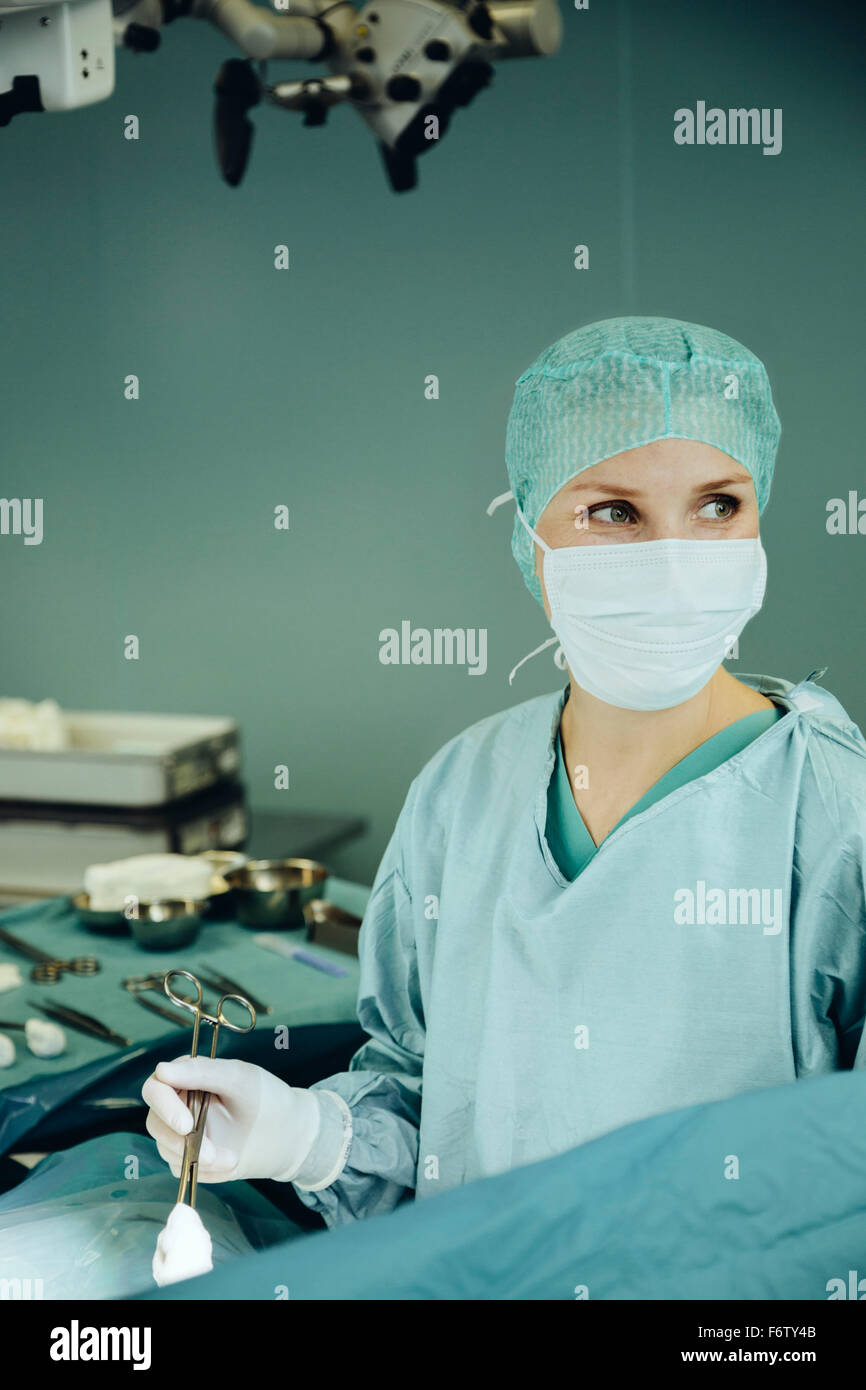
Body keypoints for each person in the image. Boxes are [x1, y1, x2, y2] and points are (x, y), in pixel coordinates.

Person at [143, 316, 866, 1226]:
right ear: (531, 536)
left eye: (719, 504)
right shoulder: (462, 790)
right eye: (615, 512)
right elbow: (427, 1105)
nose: (675, 560)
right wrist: (308, 1136)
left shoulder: (836, 814)